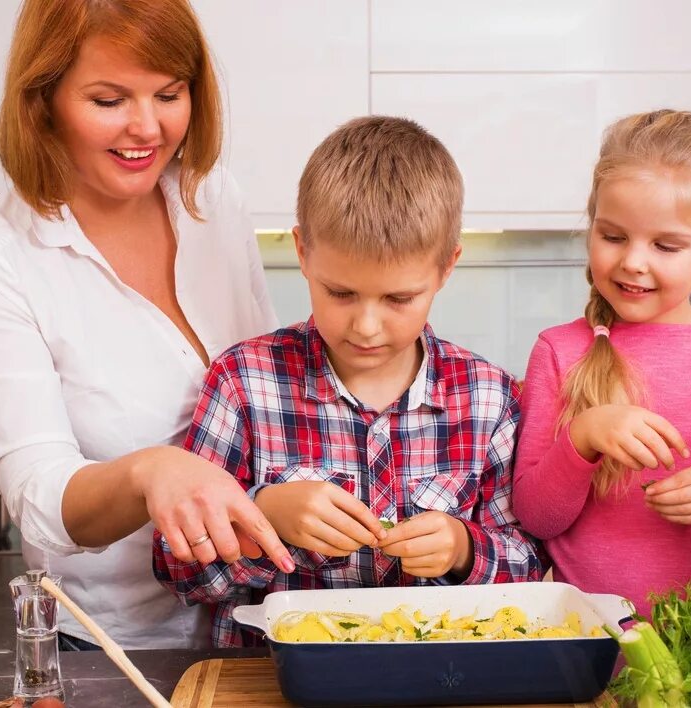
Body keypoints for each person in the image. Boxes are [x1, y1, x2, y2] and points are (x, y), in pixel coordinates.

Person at [0, 0, 294, 650]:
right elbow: (38, 494)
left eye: (169, 93)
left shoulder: (212, 197)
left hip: (261, 621)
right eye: (108, 100)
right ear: (42, 98)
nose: (147, 127)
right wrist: (149, 472)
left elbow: (273, 394)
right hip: (119, 651)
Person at [154, 116, 546, 647]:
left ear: (447, 268)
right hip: (269, 685)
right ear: (302, 253)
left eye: (398, 299)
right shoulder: (243, 384)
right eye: (340, 293)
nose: (365, 326)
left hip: (439, 684)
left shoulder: (491, 398)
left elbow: (531, 566)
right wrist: (261, 518)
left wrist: (463, 549)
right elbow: (176, 569)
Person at [511, 109, 691, 616]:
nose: (633, 261)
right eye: (613, 236)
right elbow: (535, 519)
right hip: (594, 650)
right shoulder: (559, 351)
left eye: (665, 245)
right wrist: (584, 435)